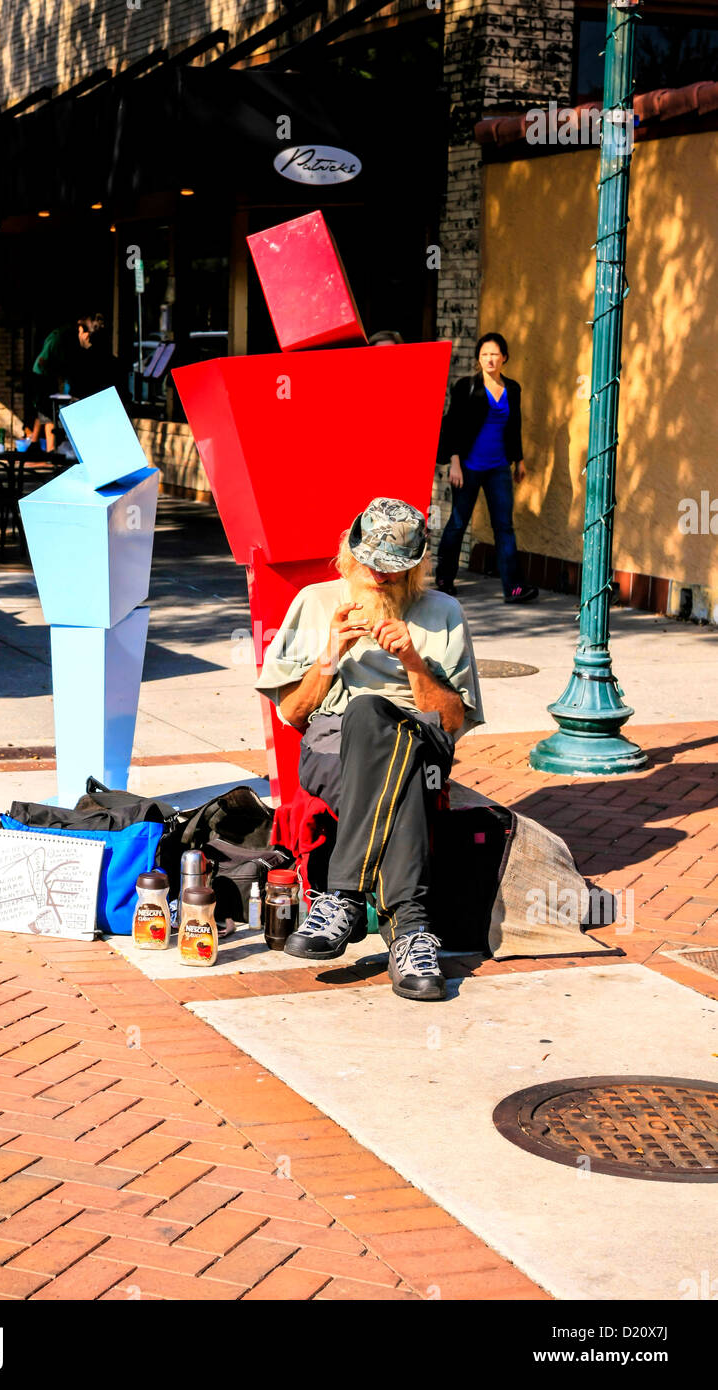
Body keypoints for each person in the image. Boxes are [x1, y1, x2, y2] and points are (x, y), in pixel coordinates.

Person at [255, 497, 484, 1003]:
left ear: (417, 568)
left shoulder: (443, 612)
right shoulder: (316, 603)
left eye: (394, 570)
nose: (379, 577)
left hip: (421, 741)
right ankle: (413, 934)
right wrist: (329, 657)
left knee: (377, 715)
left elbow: (450, 724)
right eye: (370, 563)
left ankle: (342, 898)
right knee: (366, 721)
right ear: (348, 551)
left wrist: (414, 663)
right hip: (333, 747)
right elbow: (292, 716)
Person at [435, 332, 538, 604]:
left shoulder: (512, 389)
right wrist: (454, 462)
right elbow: (454, 424)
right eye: (484, 354)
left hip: (498, 468)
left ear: (504, 357)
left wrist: (519, 461)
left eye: (494, 354)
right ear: (478, 359)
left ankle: (513, 587)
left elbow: (513, 426)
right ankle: (445, 578)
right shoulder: (466, 386)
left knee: (504, 526)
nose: (489, 359)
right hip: (468, 466)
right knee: (458, 523)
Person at [28, 310, 106, 452]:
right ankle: (50, 450)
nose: (89, 338)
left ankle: (34, 444)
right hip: (44, 373)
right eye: (89, 335)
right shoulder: (67, 338)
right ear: (82, 329)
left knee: (42, 407)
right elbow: (66, 367)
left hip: (43, 371)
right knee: (48, 411)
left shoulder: (66, 333)